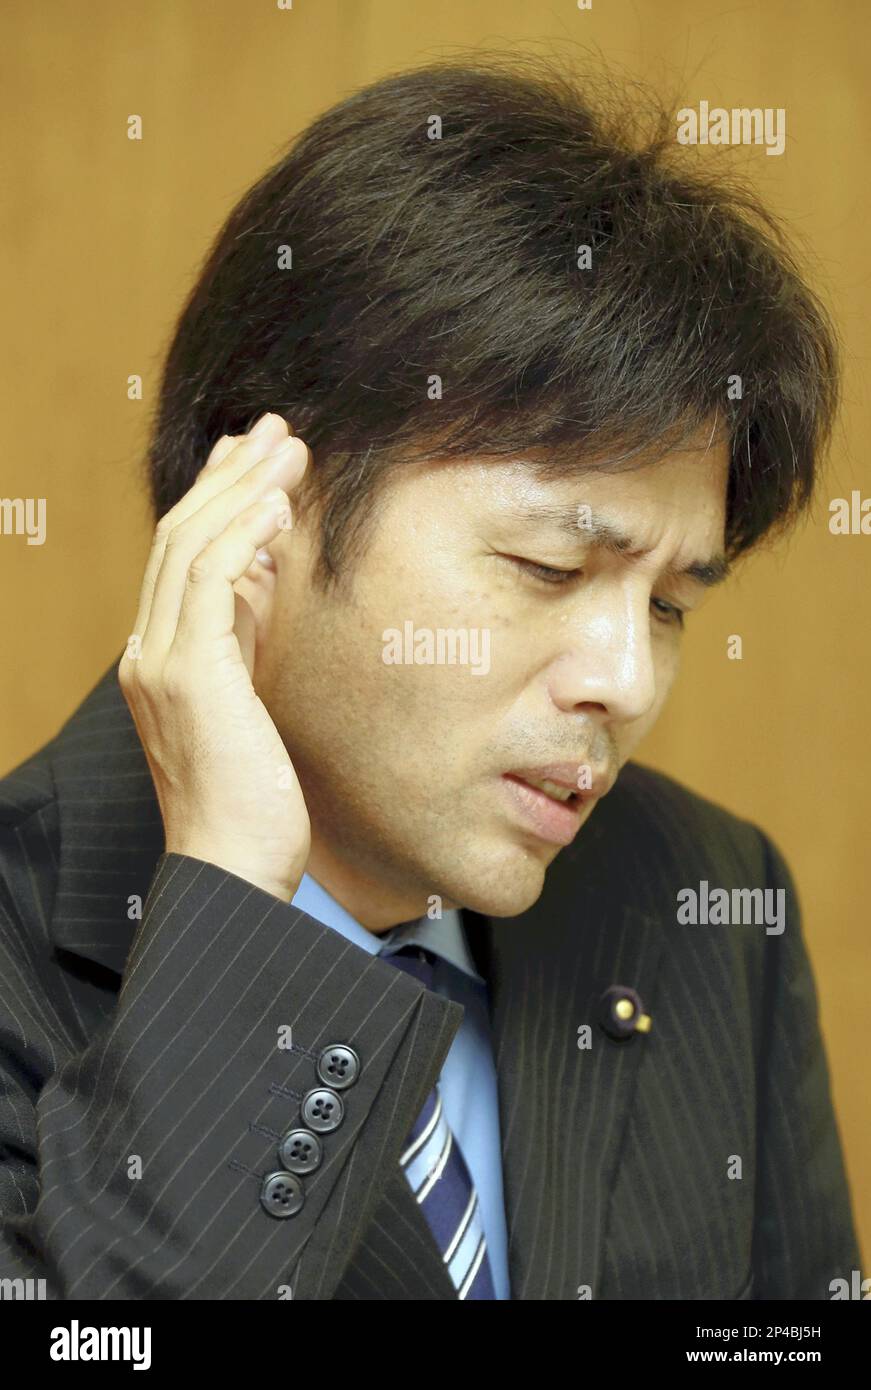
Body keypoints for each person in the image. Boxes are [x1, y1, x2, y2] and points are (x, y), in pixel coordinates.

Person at [0, 57, 861, 1300]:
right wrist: (235, 907)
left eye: (670, 604)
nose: (626, 679)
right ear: (265, 515)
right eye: (550, 564)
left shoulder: (703, 901)